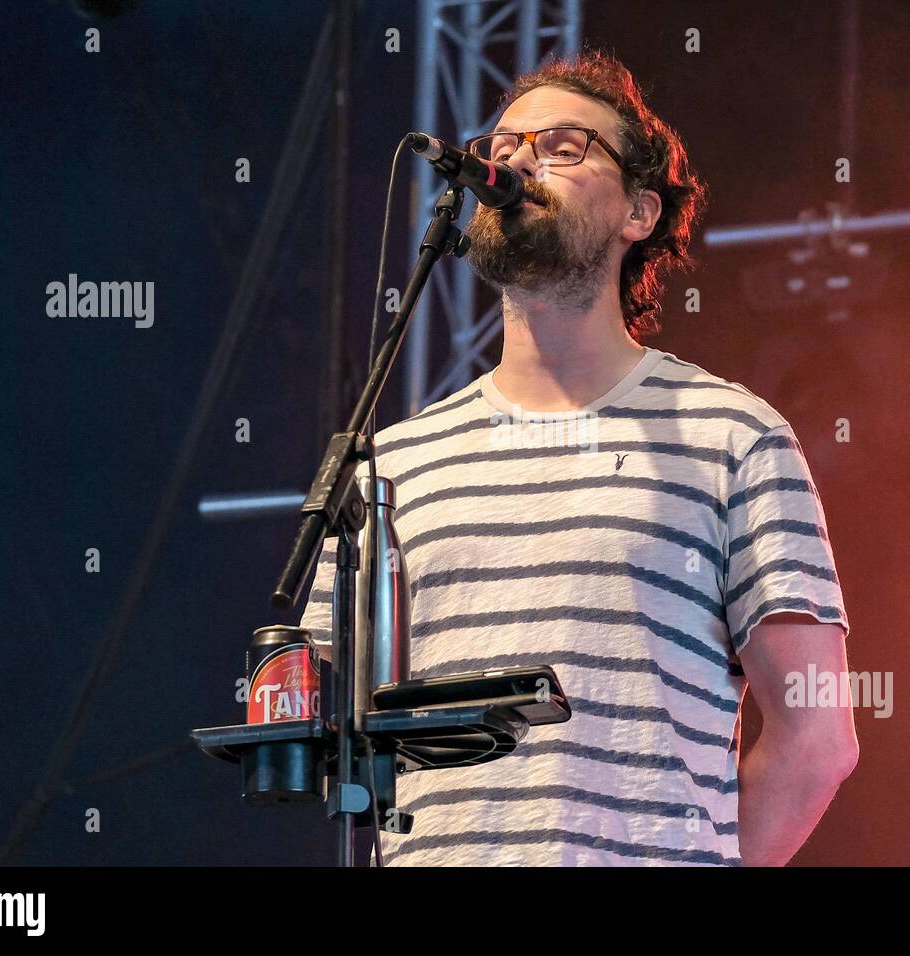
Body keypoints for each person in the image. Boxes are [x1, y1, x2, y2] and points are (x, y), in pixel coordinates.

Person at [301, 49, 857, 866]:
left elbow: (818, 741)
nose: (518, 161)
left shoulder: (732, 438)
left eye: (563, 146)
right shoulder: (394, 465)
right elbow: (329, 732)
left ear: (640, 210)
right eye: (504, 147)